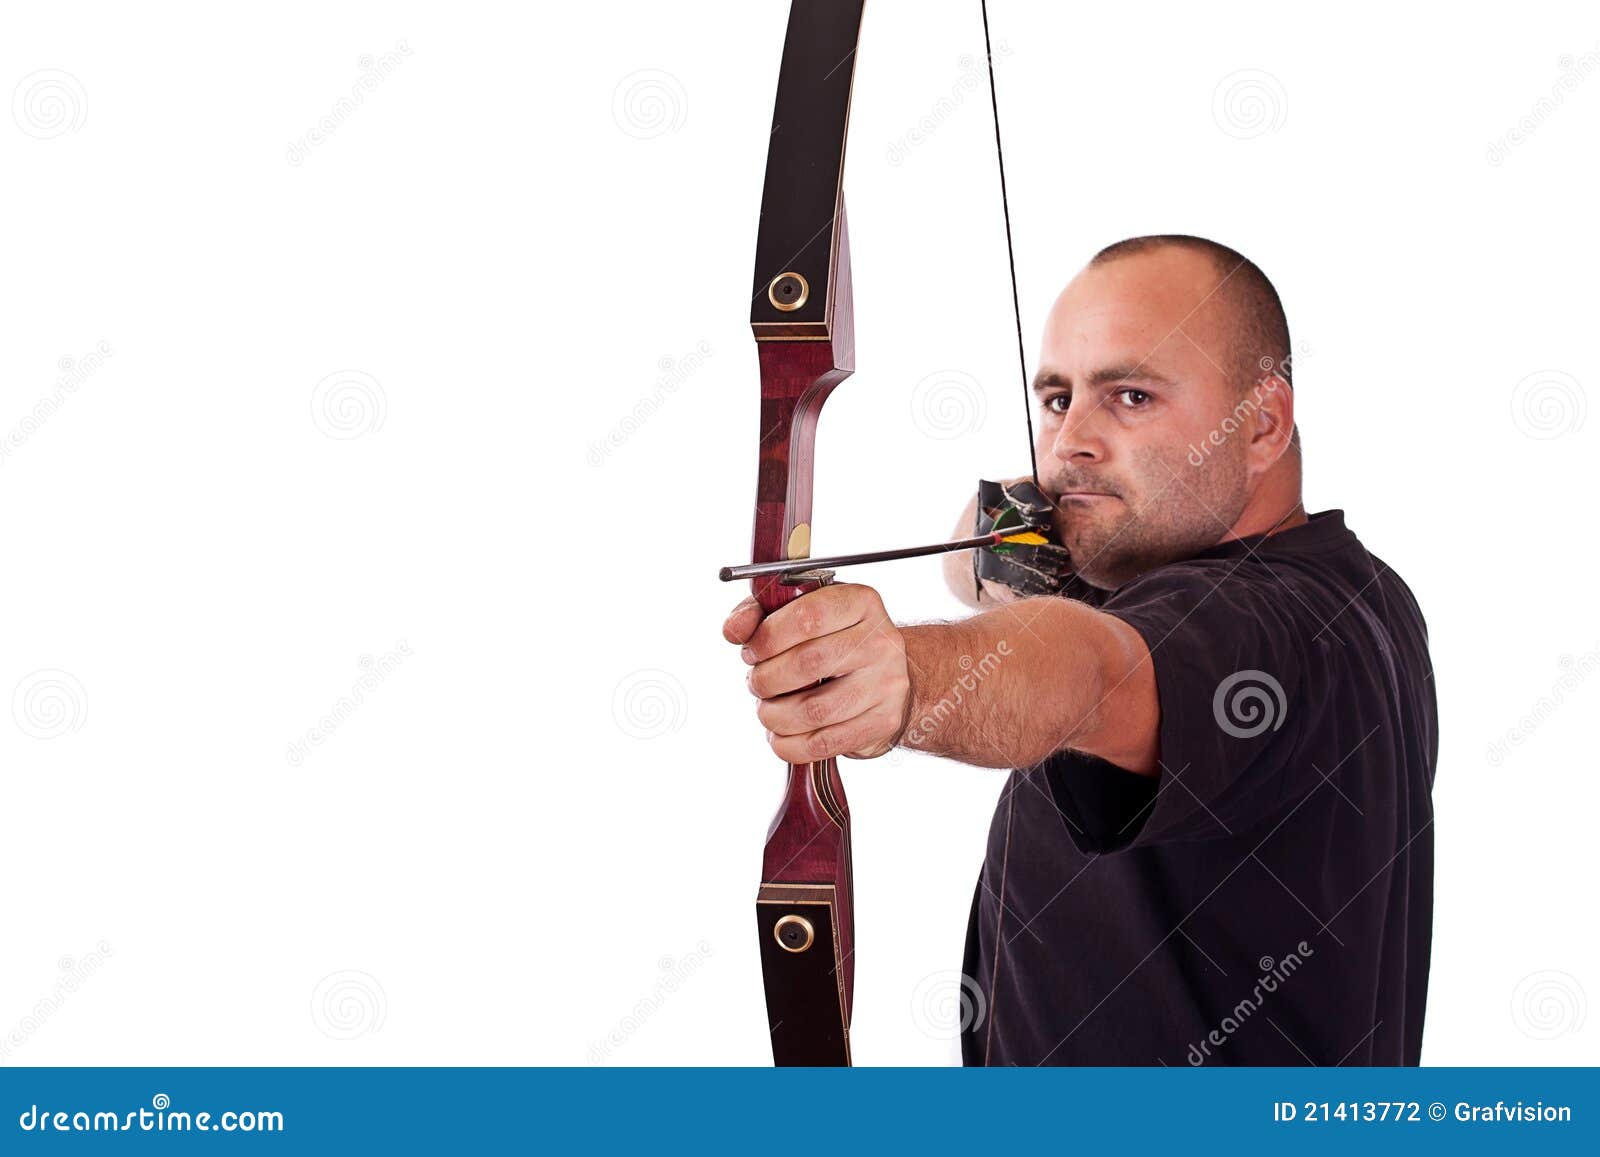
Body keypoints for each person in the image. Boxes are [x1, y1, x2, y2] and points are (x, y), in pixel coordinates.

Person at [721, 235, 1437, 1066]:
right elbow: (998, 555)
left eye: (1131, 396)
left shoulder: (1260, 627)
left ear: (1262, 424)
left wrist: (906, 678)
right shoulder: (1362, 591)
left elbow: (1093, 672)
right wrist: (1009, 551)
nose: (1069, 446)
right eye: (1057, 399)